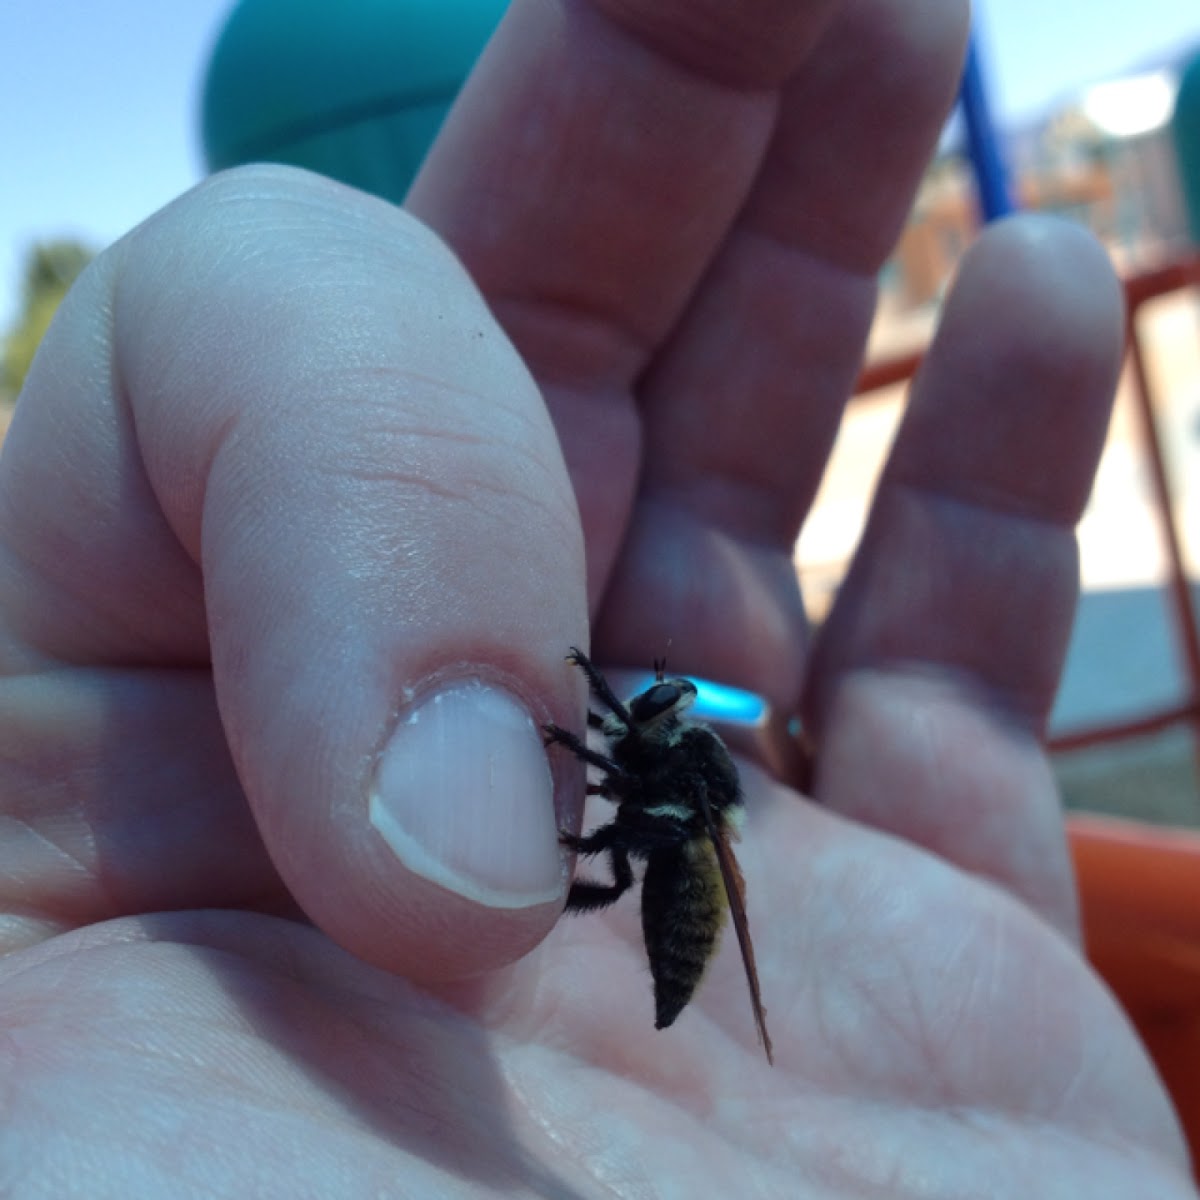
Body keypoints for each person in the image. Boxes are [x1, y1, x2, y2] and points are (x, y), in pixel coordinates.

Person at [1, 0, 1194, 1194]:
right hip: (639, 941)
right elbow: (629, 792)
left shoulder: (681, 789)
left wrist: (566, 763)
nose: (655, 710)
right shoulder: (678, 778)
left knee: (619, 842)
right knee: (617, 837)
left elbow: (629, 811)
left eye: (662, 710)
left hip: (678, 920)